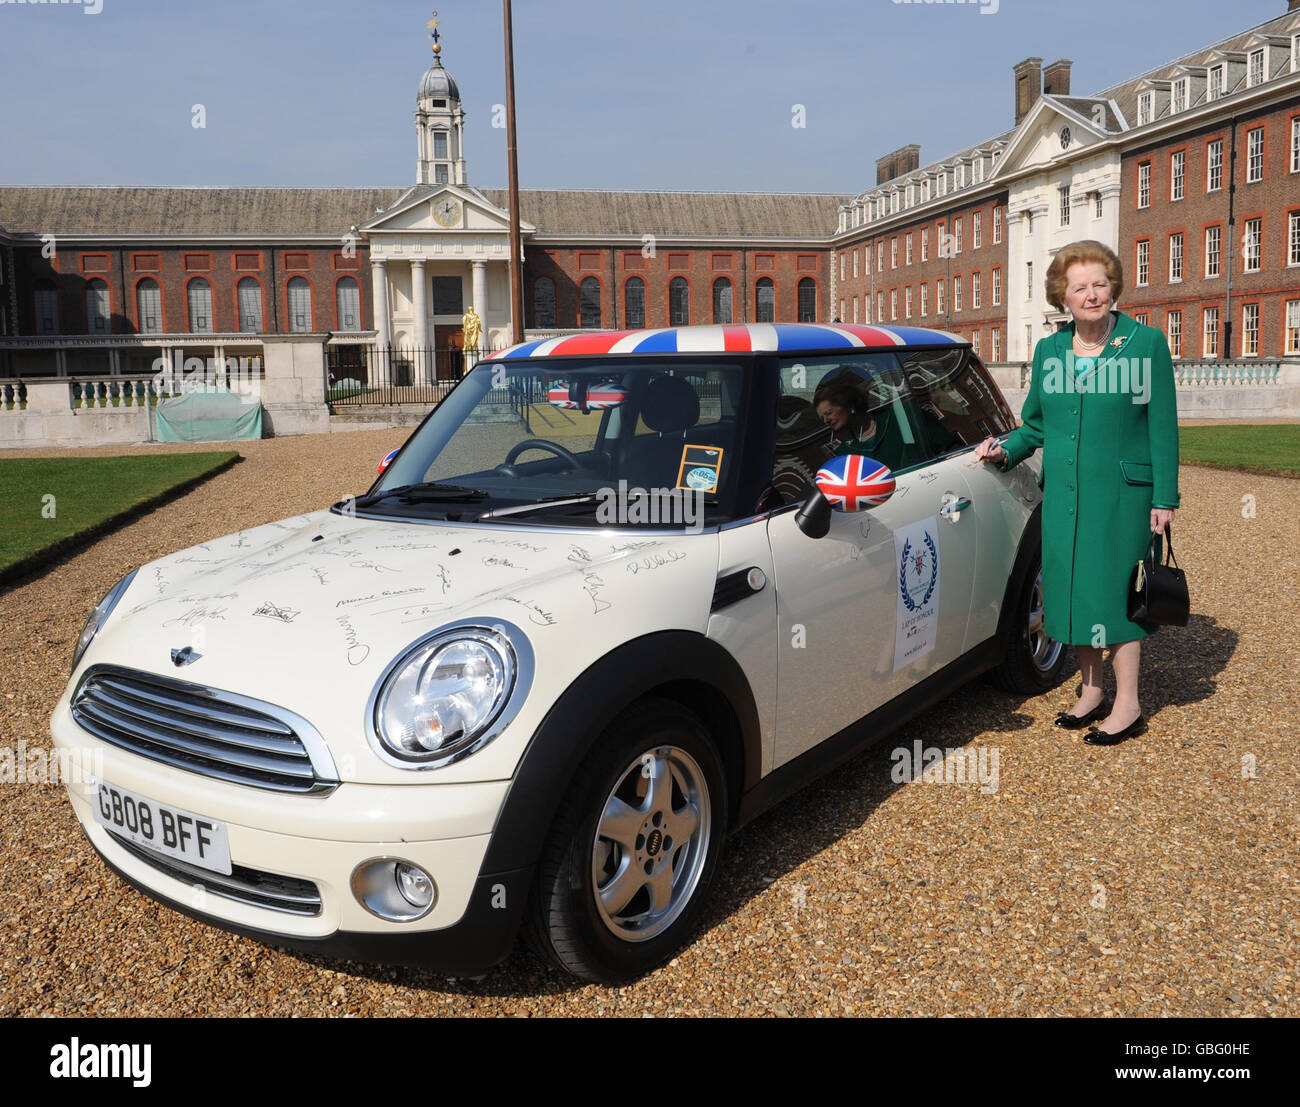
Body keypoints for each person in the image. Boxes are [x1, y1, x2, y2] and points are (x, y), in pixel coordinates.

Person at [975, 240, 1179, 745]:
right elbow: (1036, 425)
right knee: (1073, 593)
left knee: (1116, 595)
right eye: (1080, 287)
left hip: (1123, 498)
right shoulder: (1051, 351)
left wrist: (1165, 498)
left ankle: (1128, 704)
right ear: (1062, 297)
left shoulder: (1145, 344)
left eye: (1100, 284)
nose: (1092, 295)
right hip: (1065, 497)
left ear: (1113, 288)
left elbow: (1162, 426)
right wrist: (1004, 449)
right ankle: (1091, 692)